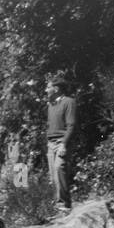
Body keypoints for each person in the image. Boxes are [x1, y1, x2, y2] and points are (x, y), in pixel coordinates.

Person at [45, 76, 76, 214]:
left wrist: (64, 144)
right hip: (50, 144)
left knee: (59, 168)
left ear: (56, 89)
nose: (46, 90)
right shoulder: (51, 105)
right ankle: (60, 207)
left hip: (62, 142)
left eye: (48, 87)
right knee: (53, 176)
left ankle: (65, 205)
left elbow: (71, 125)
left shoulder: (69, 102)